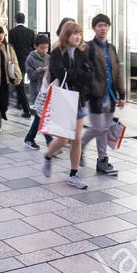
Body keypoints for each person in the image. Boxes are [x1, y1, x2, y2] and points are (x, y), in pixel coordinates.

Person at [42, 21, 90, 189]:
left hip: (79, 99)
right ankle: (48, 156)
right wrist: (77, 73)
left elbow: (87, 75)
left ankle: (73, 174)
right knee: (63, 140)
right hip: (63, 99)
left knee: (76, 138)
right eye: (74, 33)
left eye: (80, 33)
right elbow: (59, 73)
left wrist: (73, 74)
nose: (78, 37)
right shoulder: (56, 53)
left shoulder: (82, 53)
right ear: (66, 34)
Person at [79, 14, 126, 176]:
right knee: (98, 127)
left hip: (110, 95)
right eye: (99, 25)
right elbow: (83, 72)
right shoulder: (88, 47)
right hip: (95, 96)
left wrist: (122, 94)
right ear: (94, 28)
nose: (103, 28)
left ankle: (102, 160)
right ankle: (78, 147)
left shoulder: (111, 48)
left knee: (104, 129)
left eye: (105, 25)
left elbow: (118, 72)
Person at [23, 32, 52, 150]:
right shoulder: (30, 59)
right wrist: (42, 70)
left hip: (46, 92)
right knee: (41, 116)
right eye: (42, 47)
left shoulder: (48, 57)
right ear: (36, 46)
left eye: (46, 47)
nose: (44, 50)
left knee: (41, 116)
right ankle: (50, 143)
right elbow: (31, 75)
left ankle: (30, 138)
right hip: (36, 93)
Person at [8, 12, 36, 116]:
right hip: (28, 60)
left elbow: (10, 48)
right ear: (24, 20)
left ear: (15, 20)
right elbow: (34, 47)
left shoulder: (12, 32)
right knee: (20, 83)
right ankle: (20, 103)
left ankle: (25, 108)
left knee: (19, 84)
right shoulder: (30, 32)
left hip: (16, 61)